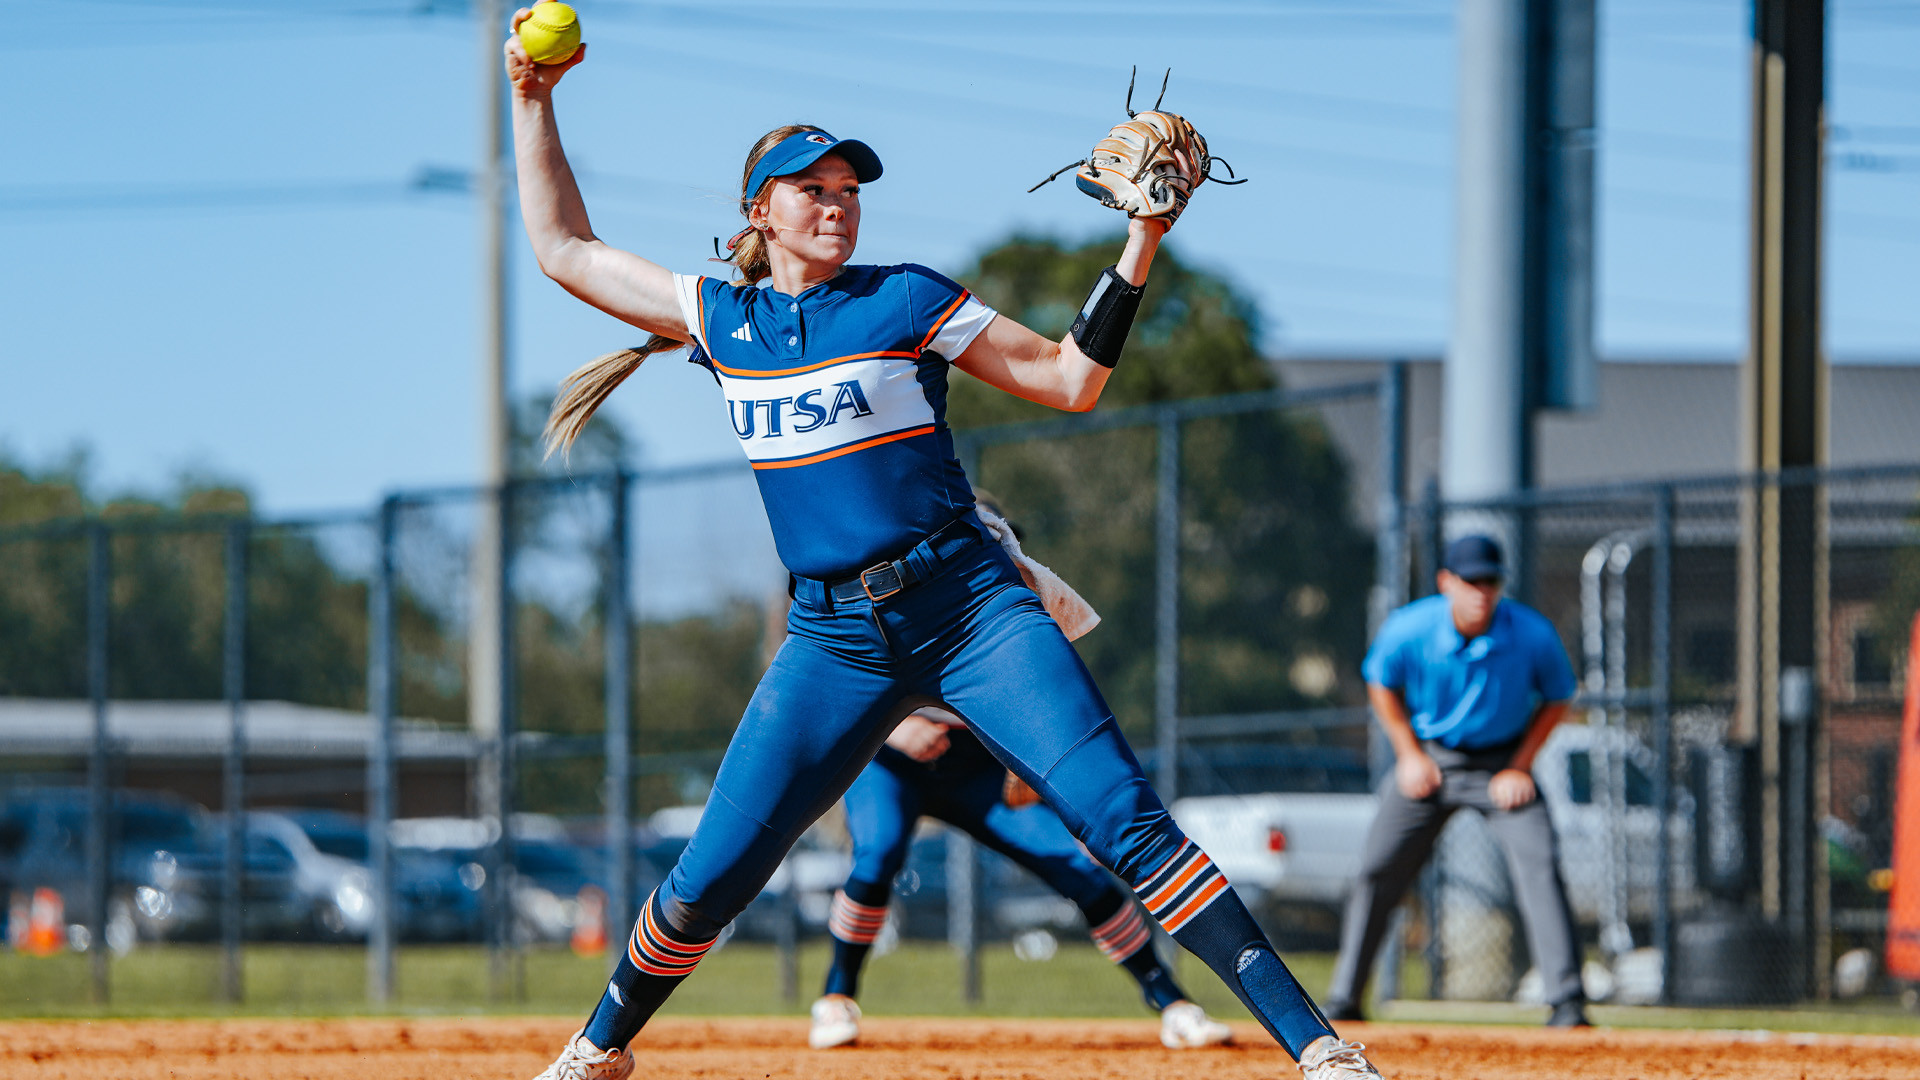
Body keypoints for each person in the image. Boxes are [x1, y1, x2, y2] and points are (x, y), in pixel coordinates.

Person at [503, 13, 1384, 1079]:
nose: (836, 204)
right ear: (760, 212)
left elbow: (1072, 380)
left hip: (970, 611)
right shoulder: (721, 319)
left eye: (848, 189)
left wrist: (1143, 241)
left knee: (1126, 823)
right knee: (710, 875)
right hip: (832, 640)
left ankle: (1322, 1052)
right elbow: (562, 249)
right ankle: (598, 1050)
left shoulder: (907, 298)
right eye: (811, 189)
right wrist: (533, 99)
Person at [810, 702, 1234, 1051]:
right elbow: (833, 669)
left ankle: (1172, 1004)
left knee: (1080, 869)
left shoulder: (1008, 594)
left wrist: (1031, 753)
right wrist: (895, 726)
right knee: (876, 856)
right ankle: (836, 997)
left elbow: (1040, 670)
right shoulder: (872, 595)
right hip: (889, 759)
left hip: (980, 765)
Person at [1322, 535, 1588, 1028]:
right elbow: (1380, 681)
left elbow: (1558, 697)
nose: (1481, 592)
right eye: (1471, 581)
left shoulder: (1531, 633)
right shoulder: (1410, 628)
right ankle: (1345, 999)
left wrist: (1520, 765)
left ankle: (1567, 1002)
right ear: (1446, 581)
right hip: (1430, 760)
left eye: (1491, 581)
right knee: (1377, 869)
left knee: (1541, 864)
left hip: (1501, 762)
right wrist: (1408, 754)